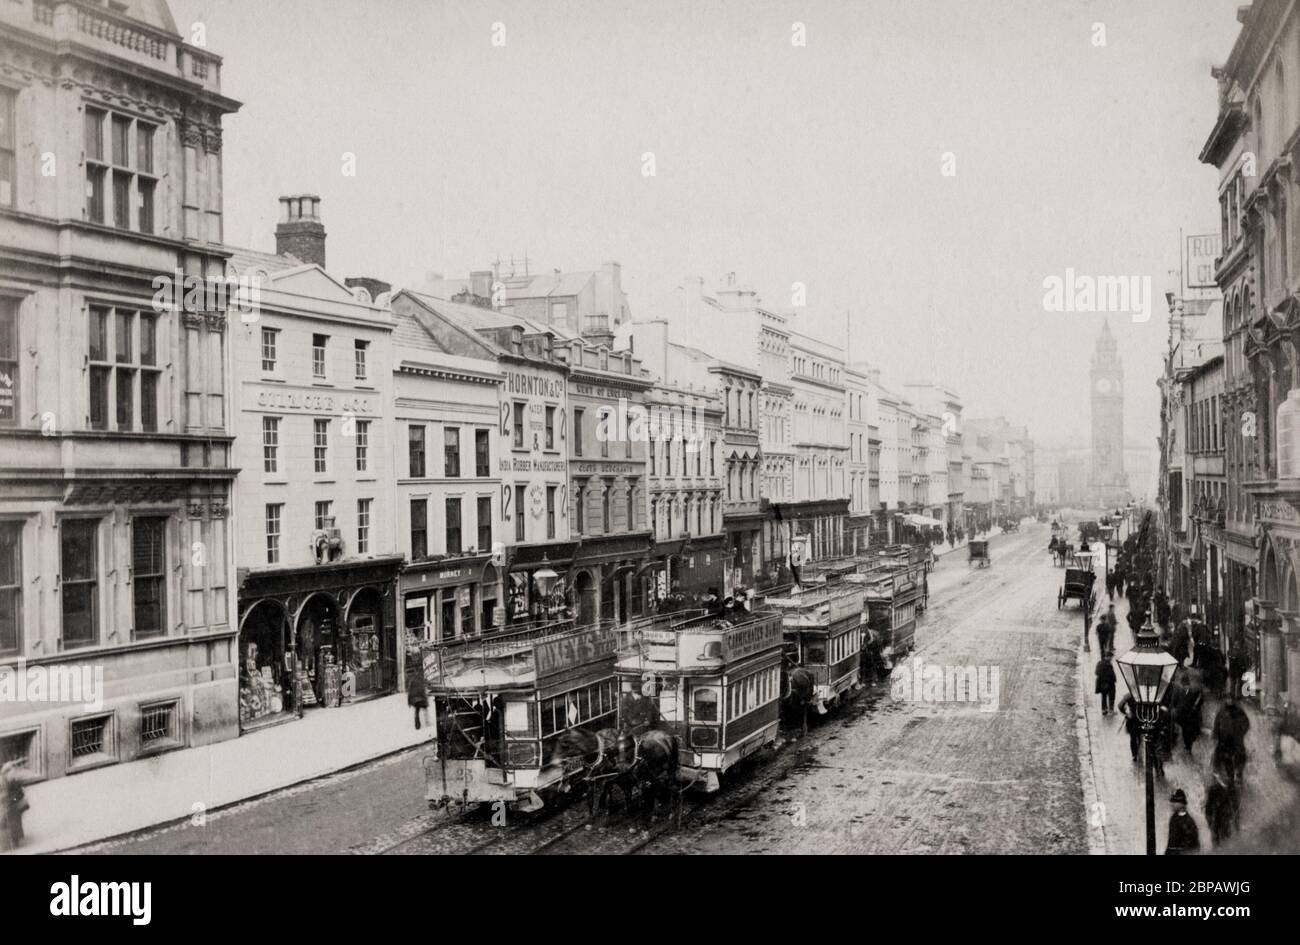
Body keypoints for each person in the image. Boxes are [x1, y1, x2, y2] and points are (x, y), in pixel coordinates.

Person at [1204, 769, 1238, 847]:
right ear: (1221, 776)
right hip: (1217, 821)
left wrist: (1234, 819)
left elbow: (1235, 807)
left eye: (1229, 776)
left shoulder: (1232, 789)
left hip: (1228, 822)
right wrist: (1209, 821)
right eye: (1226, 775)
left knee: (1227, 842)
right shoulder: (1213, 789)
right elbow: (1208, 807)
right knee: (1217, 843)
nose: (1228, 778)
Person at [0, 760, 28, 852]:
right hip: (9, 805)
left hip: (12, 805)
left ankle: (14, 843)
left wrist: (13, 799)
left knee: (12, 824)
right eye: (12, 771)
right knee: (9, 824)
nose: (14, 773)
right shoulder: (4, 780)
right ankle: (11, 843)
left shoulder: (12, 780)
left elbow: (19, 793)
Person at [1165, 789, 1201, 854]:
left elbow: (1193, 845)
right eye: (1172, 801)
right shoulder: (1173, 818)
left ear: (1182, 804)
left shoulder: (1188, 821)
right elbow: (1171, 842)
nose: (1172, 804)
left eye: (1175, 802)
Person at [407, 664, 430, 731]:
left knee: (417, 712)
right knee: (425, 710)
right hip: (421, 699)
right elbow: (423, 690)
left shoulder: (412, 681)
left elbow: (410, 692)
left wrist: (409, 701)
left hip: (415, 700)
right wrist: (426, 700)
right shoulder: (421, 680)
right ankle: (427, 722)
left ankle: (417, 725)